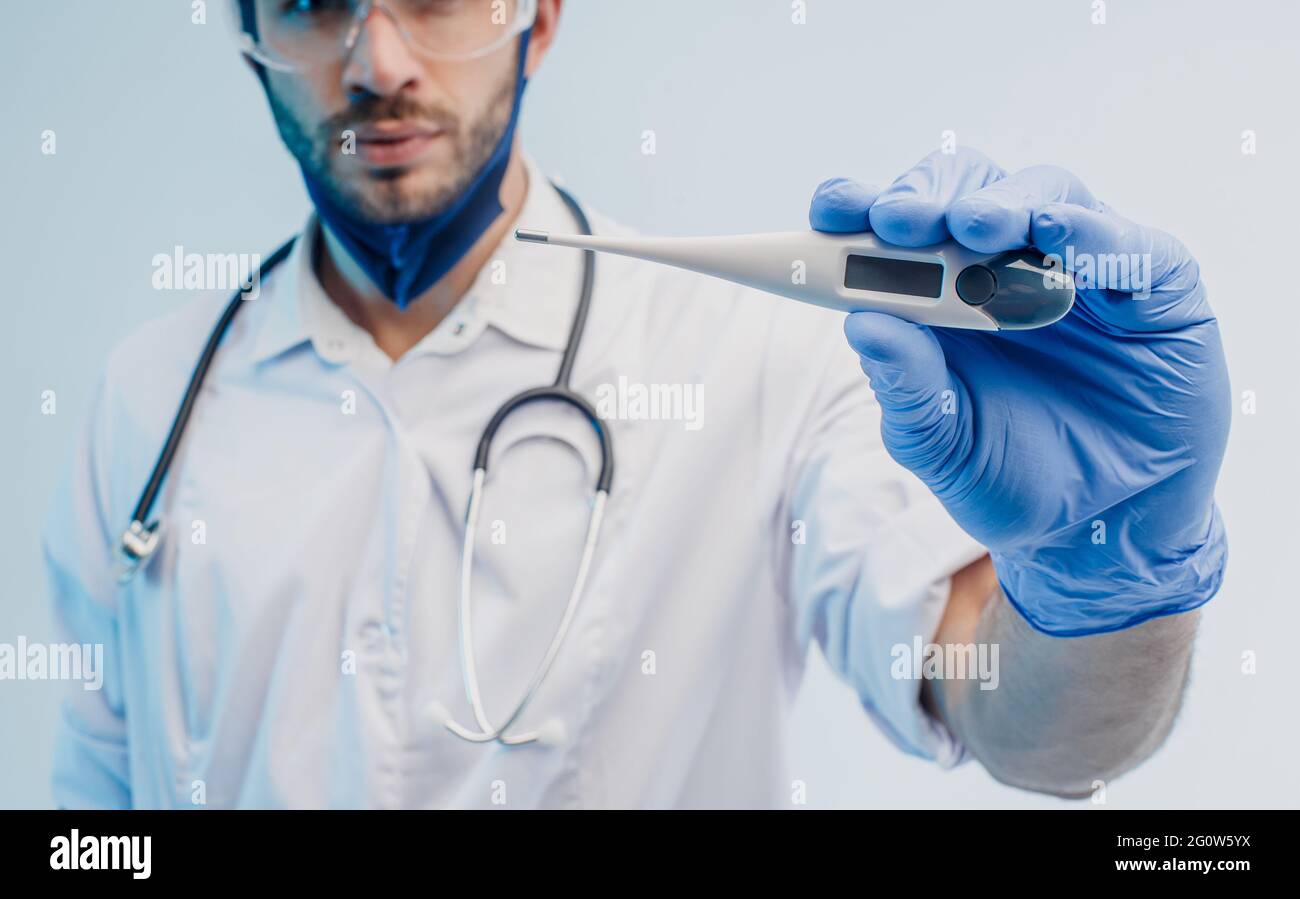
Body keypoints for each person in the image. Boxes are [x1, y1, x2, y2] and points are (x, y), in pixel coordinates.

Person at [42, 0, 1229, 808]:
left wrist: (1098, 572)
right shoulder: (147, 404)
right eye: (310, 0)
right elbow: (95, 820)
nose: (378, 61)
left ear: (539, 17)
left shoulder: (752, 350)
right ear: (246, 33)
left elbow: (1021, 718)